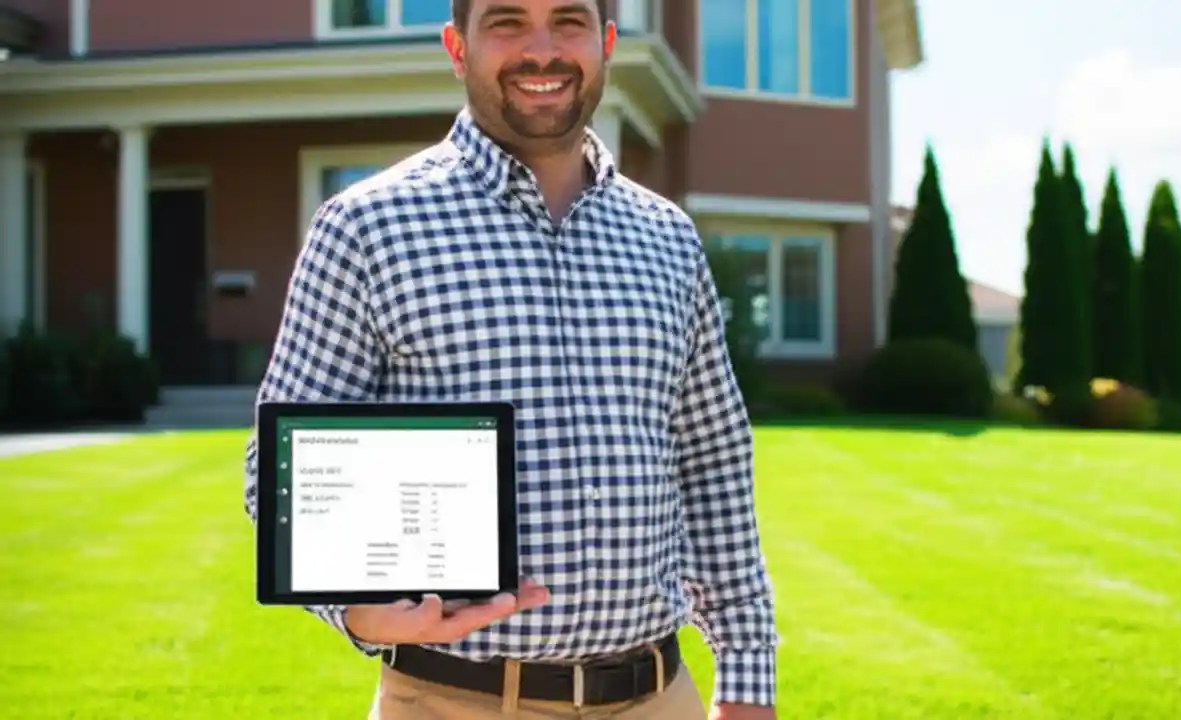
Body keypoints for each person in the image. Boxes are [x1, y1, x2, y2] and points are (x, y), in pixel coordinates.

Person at [242, 1, 779, 717]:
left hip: (656, 697)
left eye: (567, 20)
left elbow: (712, 458)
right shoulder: (367, 227)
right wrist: (356, 608)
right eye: (506, 22)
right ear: (457, 47)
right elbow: (277, 472)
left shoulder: (668, 240)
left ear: (606, 43)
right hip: (452, 701)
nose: (541, 50)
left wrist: (746, 678)